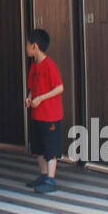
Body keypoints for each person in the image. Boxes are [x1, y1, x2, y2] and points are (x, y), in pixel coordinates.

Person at [25, 29, 64, 192]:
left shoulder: (50, 65)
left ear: (35, 46)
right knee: (38, 148)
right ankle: (43, 175)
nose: (26, 47)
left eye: (28, 44)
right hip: (37, 115)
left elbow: (60, 87)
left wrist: (41, 98)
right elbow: (32, 87)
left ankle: (51, 180)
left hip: (51, 115)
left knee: (50, 149)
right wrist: (29, 97)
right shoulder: (34, 65)